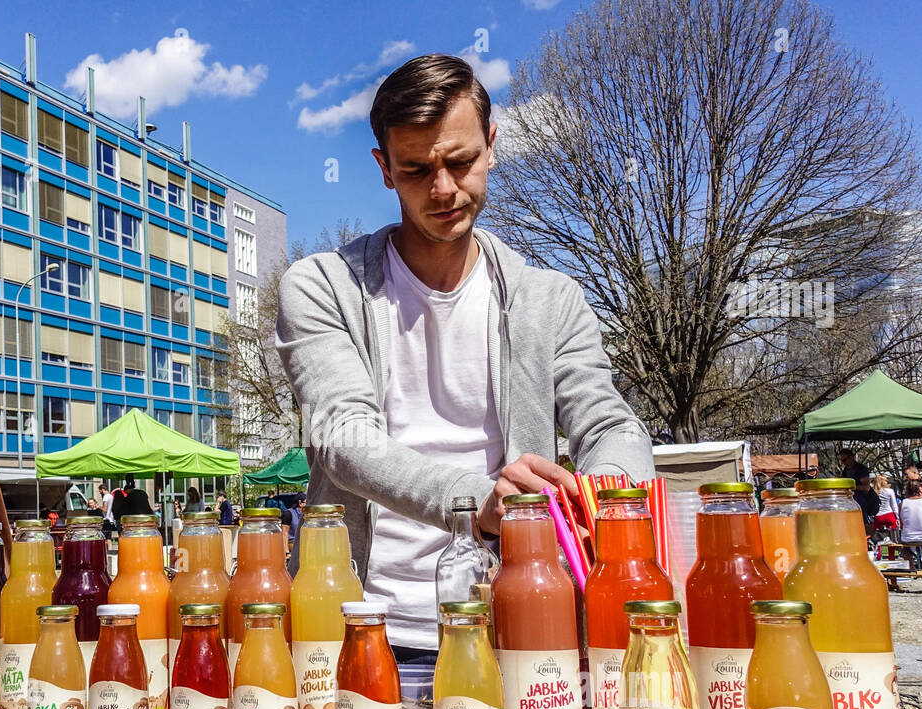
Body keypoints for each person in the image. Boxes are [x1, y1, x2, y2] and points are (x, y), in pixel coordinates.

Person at [274, 55, 653, 660]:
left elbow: (608, 423)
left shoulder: (549, 300)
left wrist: (605, 496)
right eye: (417, 169)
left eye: (460, 161)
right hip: (360, 633)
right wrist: (481, 504)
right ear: (384, 170)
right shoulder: (321, 287)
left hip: (519, 629)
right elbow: (343, 439)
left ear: (492, 145)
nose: (443, 188)